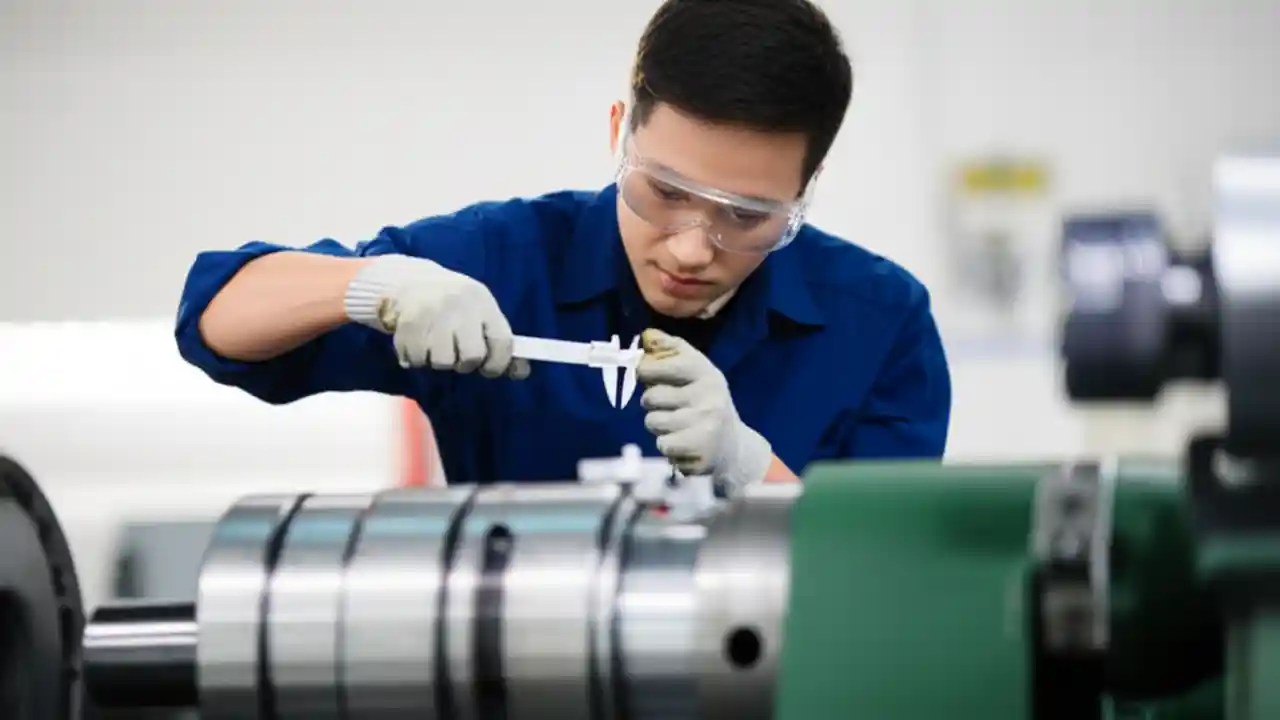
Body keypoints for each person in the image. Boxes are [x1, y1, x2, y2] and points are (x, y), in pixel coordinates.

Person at [175, 0, 952, 490]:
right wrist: (372, 285)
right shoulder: (504, 259)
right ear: (620, 134)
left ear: (805, 190)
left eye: (745, 217)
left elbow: (875, 592)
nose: (689, 248)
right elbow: (214, 318)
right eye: (665, 192)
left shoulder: (881, 323)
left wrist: (751, 471)